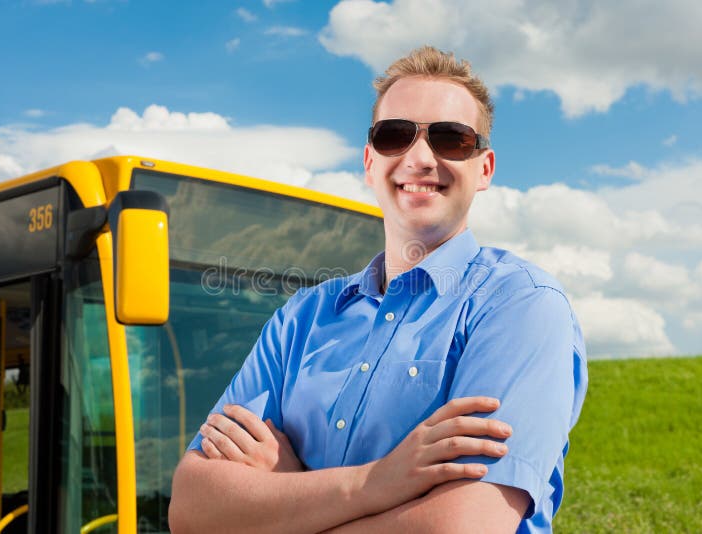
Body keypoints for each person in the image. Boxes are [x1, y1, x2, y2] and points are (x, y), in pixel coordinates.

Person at [169, 46, 588, 533]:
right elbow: (193, 508)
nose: (419, 157)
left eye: (451, 139)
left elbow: (458, 528)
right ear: (370, 162)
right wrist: (375, 483)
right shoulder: (301, 318)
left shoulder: (520, 306)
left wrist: (285, 494)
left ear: (485, 169)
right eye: (395, 136)